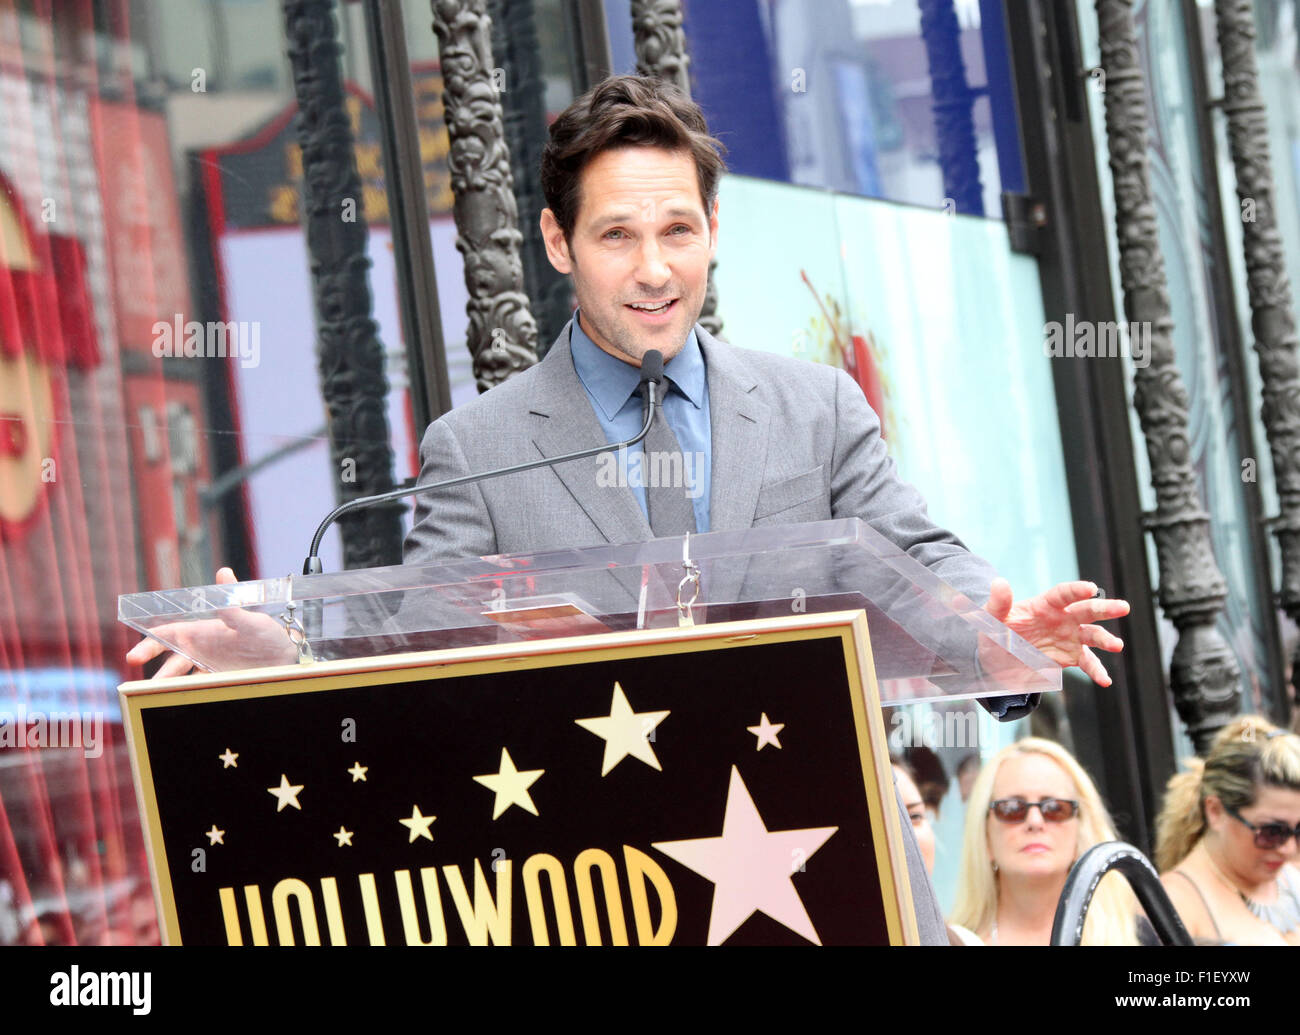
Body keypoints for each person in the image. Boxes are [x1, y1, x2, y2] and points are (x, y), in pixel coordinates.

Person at [128, 74, 1131, 944]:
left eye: (677, 231)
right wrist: (284, 668)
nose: (654, 269)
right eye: (617, 235)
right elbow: (411, 667)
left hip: (837, 879)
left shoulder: (813, 406)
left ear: (712, 232)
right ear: (558, 244)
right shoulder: (475, 449)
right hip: (610, 893)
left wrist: (987, 632)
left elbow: (922, 553)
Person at [949, 737, 1140, 945]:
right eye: (1012, 809)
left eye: (1055, 809)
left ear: (1080, 830)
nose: (1035, 821)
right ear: (984, 836)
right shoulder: (953, 941)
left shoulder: (1135, 935)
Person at [1155, 715, 1300, 945]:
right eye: (1272, 832)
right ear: (1216, 812)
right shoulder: (1173, 904)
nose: (1289, 848)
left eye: (1299, 831)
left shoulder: (1290, 877)